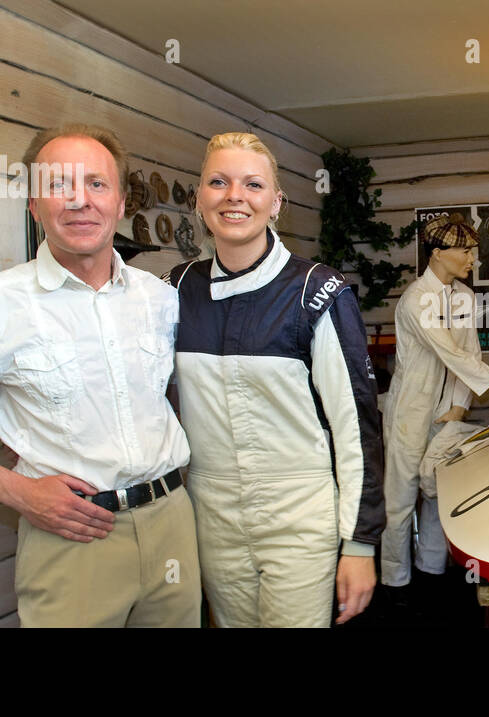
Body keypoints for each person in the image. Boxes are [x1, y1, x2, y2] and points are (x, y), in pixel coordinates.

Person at [0, 124, 199, 627]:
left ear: (121, 203)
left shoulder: (160, 298)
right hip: (73, 537)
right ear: (34, 205)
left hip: (172, 523)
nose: (81, 201)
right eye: (59, 185)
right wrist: (20, 493)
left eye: (97, 184)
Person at [165, 132, 383, 627]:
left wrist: (360, 542)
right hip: (211, 512)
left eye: (253, 184)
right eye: (218, 182)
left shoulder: (316, 291)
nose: (234, 196)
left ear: (276, 202)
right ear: (199, 198)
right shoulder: (175, 290)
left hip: (298, 512)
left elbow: (357, 427)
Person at [380, 214, 489, 592]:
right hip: (410, 410)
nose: (471, 259)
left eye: (472, 251)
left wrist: (461, 405)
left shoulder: (465, 297)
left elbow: (470, 354)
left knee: (438, 488)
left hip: (448, 409)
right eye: (465, 250)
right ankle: (394, 581)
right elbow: (448, 353)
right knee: (399, 499)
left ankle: (431, 572)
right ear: (437, 253)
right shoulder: (416, 301)